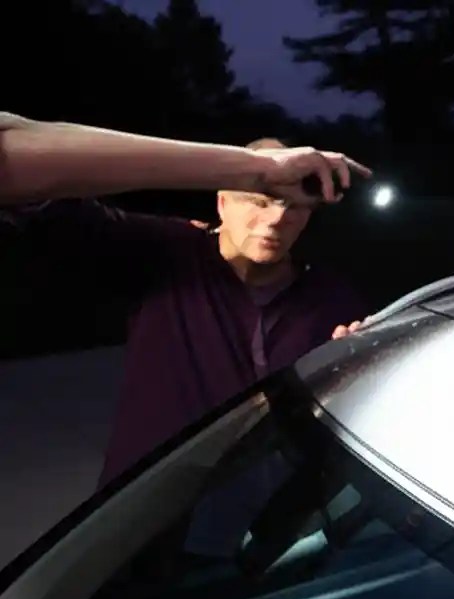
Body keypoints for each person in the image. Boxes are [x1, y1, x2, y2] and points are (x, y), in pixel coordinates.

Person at [1, 112, 373, 488]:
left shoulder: (333, 301)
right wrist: (250, 168)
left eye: (293, 206)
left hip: (261, 526)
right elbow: (21, 185)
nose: (276, 219)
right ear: (222, 203)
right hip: (143, 509)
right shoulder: (169, 252)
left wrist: (347, 373)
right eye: (259, 200)